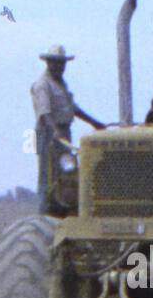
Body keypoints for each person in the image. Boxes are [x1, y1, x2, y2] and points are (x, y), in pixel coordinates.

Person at [31, 45, 105, 214]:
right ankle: (44, 214)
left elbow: (73, 108)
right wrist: (55, 131)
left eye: (62, 63)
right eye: (55, 63)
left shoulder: (61, 83)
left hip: (64, 132)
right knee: (48, 177)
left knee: (68, 174)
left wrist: (95, 123)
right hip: (48, 134)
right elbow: (44, 113)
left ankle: (66, 211)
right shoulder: (43, 84)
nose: (59, 66)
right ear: (48, 63)